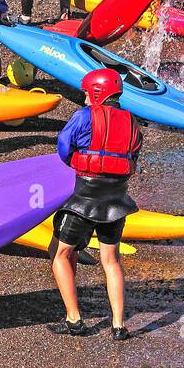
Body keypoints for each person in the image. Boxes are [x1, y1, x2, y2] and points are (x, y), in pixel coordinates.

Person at [50, 68, 141, 341]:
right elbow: (133, 153)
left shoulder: (83, 116)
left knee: (60, 253)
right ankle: (118, 325)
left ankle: (74, 319)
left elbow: (64, 147)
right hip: (117, 200)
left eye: (88, 93)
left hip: (84, 198)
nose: (86, 98)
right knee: (111, 260)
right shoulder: (133, 121)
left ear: (98, 92)